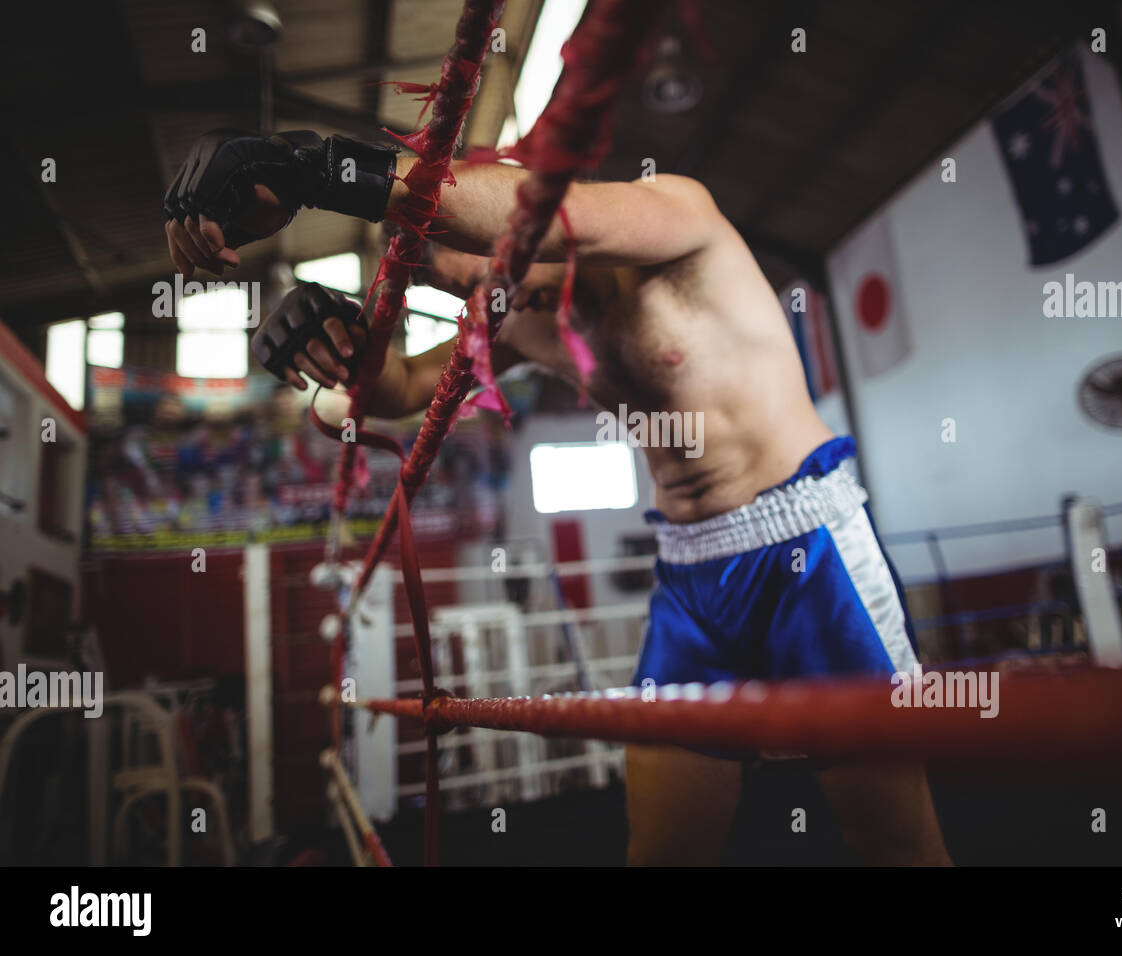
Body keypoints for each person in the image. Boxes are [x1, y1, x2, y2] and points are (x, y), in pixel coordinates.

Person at [163, 129, 951, 865]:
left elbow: (541, 210)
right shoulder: (516, 318)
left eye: (490, 271)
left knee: (895, 845)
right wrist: (331, 346)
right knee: (662, 852)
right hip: (690, 575)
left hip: (806, 547)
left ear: (510, 209)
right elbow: (392, 392)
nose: (488, 302)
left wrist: (313, 168)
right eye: (459, 291)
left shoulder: (676, 218)